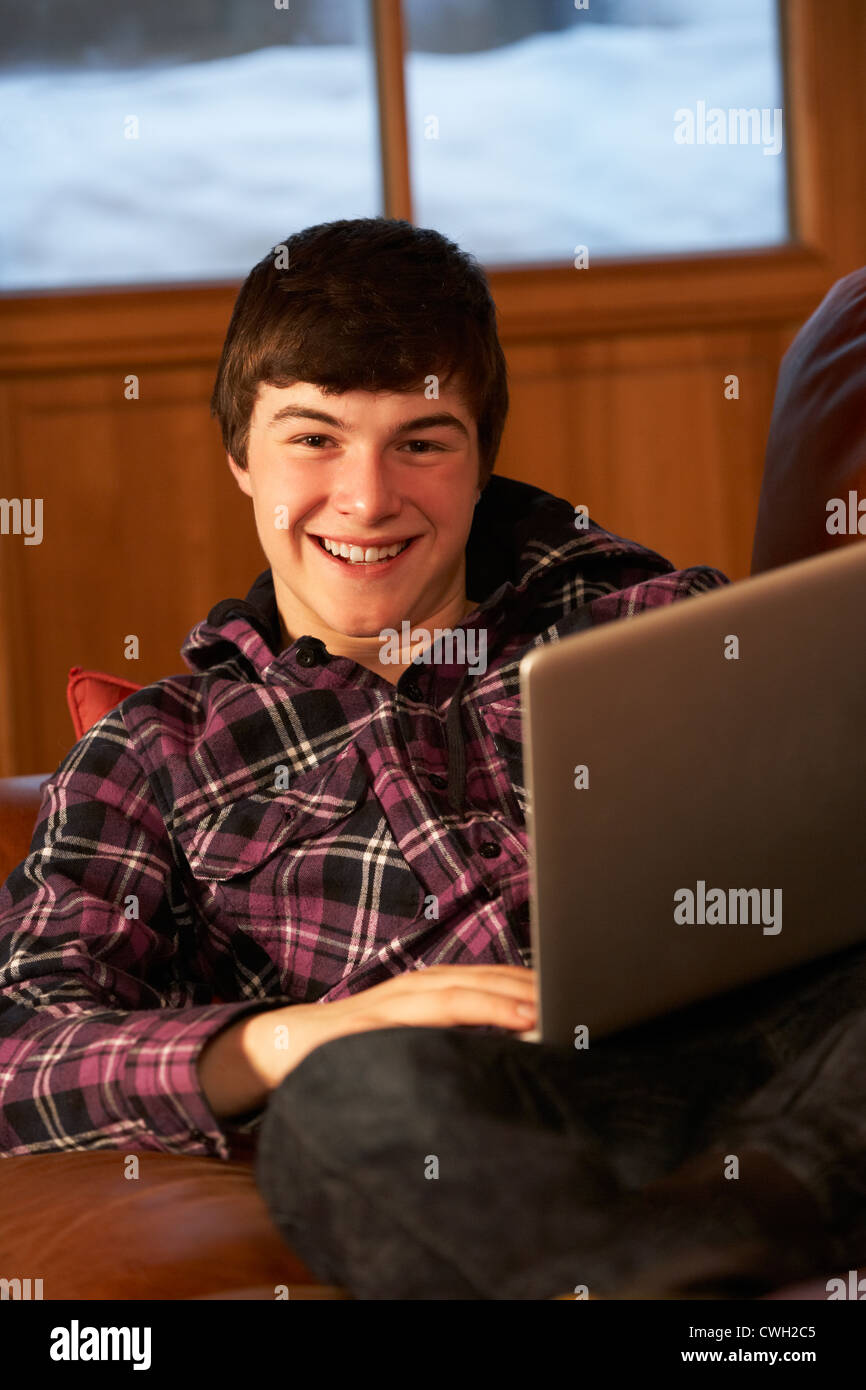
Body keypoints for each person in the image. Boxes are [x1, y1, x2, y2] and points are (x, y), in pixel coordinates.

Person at [0, 218, 861, 1300]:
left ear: (479, 457)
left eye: (421, 440)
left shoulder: (659, 620)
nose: (366, 499)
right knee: (346, 1096)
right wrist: (302, 1037)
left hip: (773, 1067)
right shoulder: (158, 752)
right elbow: (20, 1049)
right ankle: (679, 1271)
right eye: (313, 438)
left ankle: (720, 1238)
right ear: (238, 457)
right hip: (475, 1119)